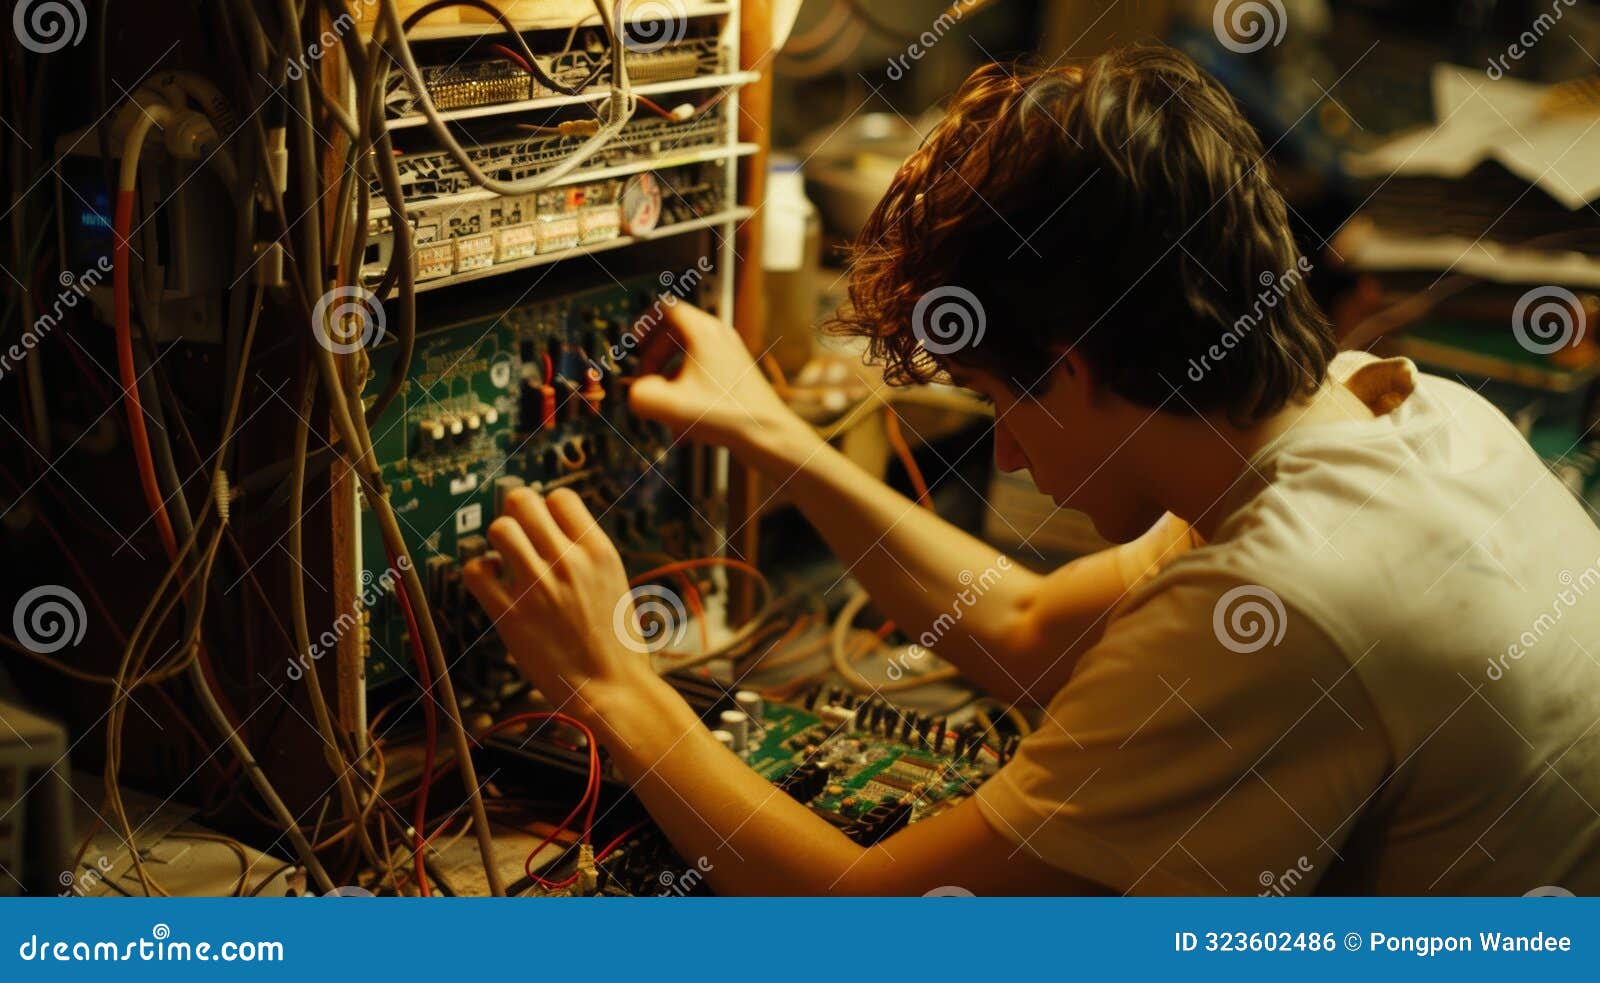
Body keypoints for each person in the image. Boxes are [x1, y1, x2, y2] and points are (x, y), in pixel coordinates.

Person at [463, 45, 1600, 895]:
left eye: (1001, 399)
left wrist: (612, 684)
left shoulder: (1285, 601)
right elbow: (1025, 629)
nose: (1003, 450)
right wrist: (780, 439)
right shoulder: (1390, 408)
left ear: (1068, 366)